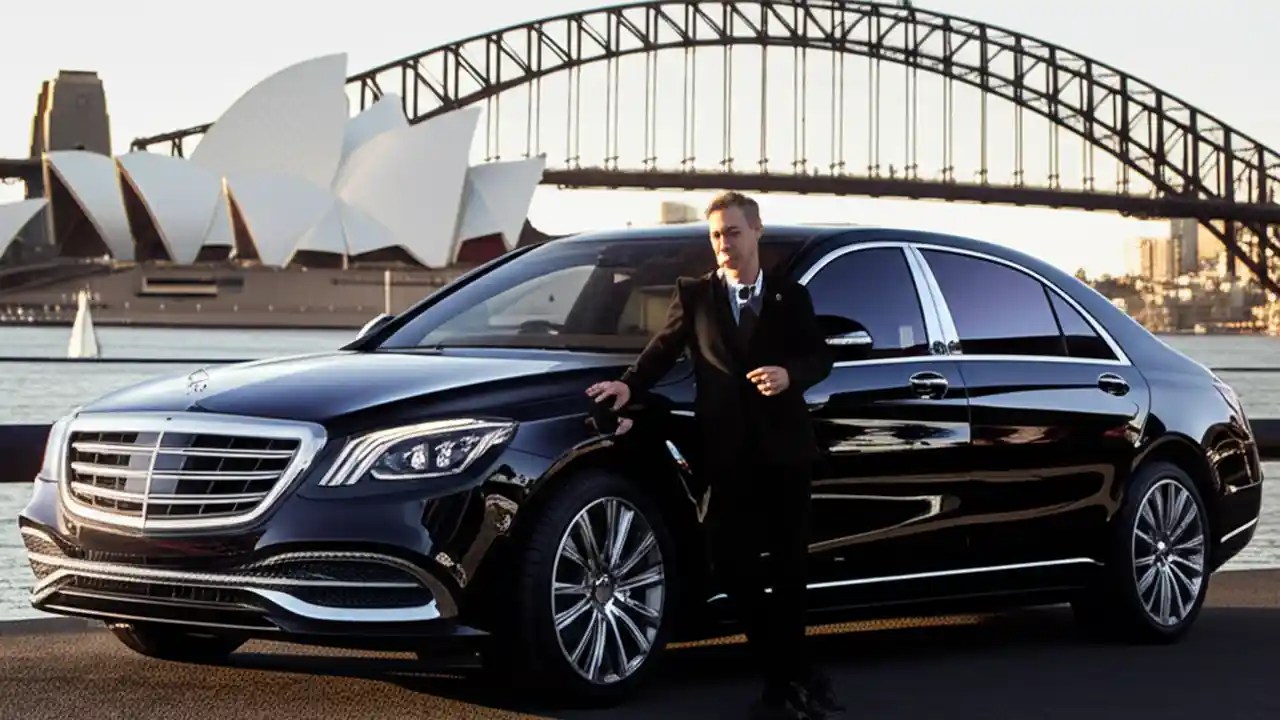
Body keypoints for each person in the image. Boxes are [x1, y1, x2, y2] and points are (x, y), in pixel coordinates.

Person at [586, 191, 842, 719]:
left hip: (786, 452)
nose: (723, 243)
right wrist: (628, 387)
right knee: (731, 565)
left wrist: (790, 375)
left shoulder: (790, 296)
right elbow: (662, 348)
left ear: (756, 232)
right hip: (725, 454)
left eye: (733, 232)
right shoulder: (697, 294)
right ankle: (797, 672)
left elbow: (819, 356)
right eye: (716, 235)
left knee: (790, 572)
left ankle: (780, 689)